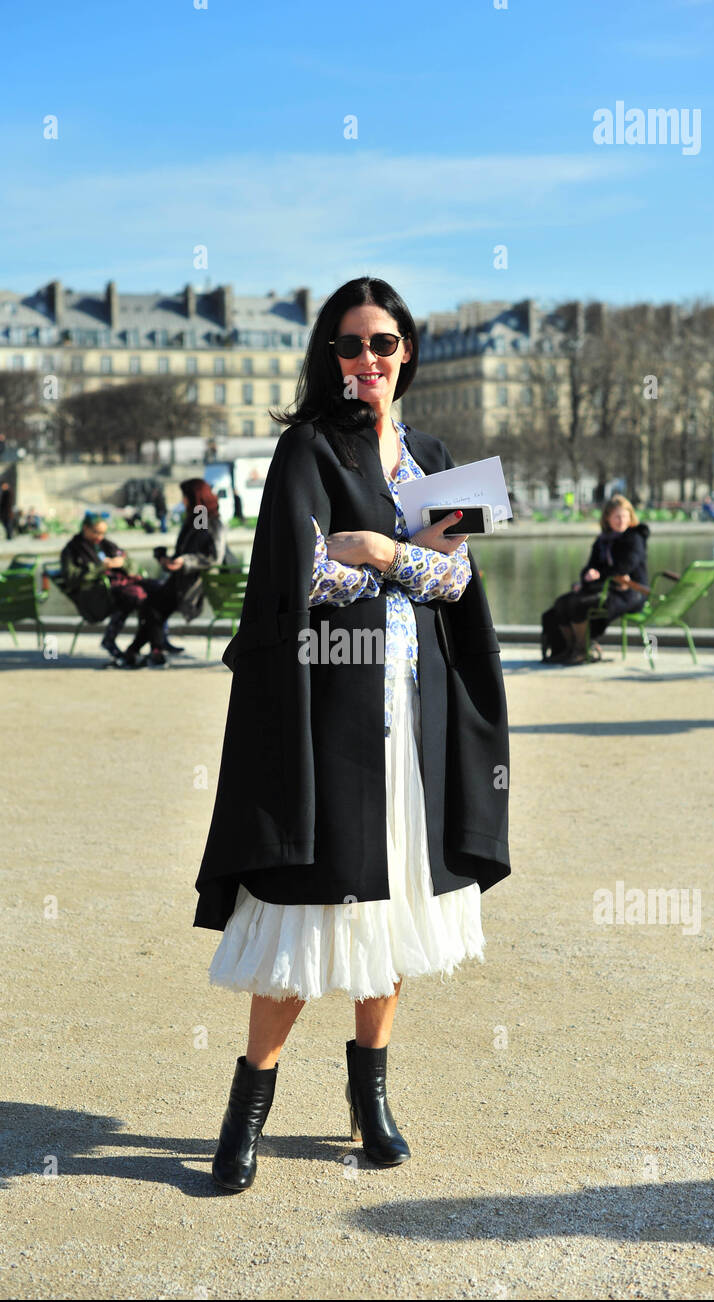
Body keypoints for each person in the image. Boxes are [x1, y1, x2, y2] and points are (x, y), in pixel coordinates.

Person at [191, 276, 511, 1192]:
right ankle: (247, 1105)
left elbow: (456, 583)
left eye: (380, 343)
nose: (364, 360)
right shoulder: (305, 448)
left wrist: (375, 551)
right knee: (303, 904)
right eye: (346, 345)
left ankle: (369, 1100)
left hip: (417, 713)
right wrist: (397, 560)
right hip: (331, 713)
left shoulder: (433, 454)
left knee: (397, 910)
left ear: (406, 349)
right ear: (327, 357)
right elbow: (301, 576)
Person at [119, 479, 227, 667]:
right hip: (181, 580)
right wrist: (167, 559)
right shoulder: (198, 517)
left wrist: (183, 561)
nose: (183, 501)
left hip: (193, 585)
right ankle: (150, 651)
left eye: (185, 497)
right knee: (151, 606)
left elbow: (212, 556)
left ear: (195, 498)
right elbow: (191, 549)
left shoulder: (206, 520)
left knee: (152, 606)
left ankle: (147, 651)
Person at [542, 496, 650, 664]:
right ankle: (567, 649)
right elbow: (591, 566)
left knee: (578, 603)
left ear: (630, 517)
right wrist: (587, 577)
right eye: (616, 516)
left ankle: (581, 650)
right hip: (606, 588)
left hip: (631, 592)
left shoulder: (635, 537)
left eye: (624, 516)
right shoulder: (603, 540)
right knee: (561, 603)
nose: (621, 520)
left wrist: (599, 576)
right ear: (607, 518)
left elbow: (626, 566)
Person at [59, 513, 157, 661]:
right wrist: (100, 567)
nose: (100, 536)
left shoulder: (107, 545)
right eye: (96, 532)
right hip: (95, 596)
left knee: (156, 592)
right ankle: (121, 643)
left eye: (103, 533)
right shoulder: (72, 550)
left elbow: (132, 564)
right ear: (85, 528)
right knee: (134, 596)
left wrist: (122, 563)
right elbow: (71, 578)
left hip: (116, 587)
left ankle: (154, 645)